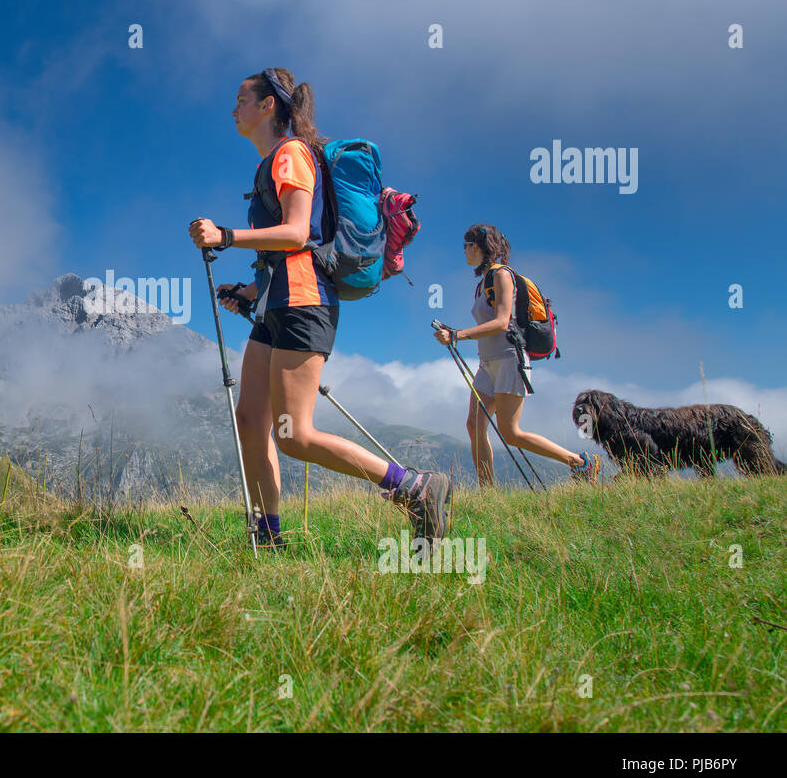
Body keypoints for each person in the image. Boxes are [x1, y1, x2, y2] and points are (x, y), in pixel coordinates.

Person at [190, 67, 451, 549]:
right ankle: (267, 538)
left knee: (294, 436)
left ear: (268, 106)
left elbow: (296, 232)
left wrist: (226, 236)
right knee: (251, 421)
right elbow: (285, 250)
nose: (233, 110)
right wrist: (249, 292)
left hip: (304, 305)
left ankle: (416, 488)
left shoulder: (290, 155)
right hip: (277, 303)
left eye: (241, 101)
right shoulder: (269, 163)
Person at [432, 224, 602, 485]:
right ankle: (488, 493)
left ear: (476, 246)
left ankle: (581, 463)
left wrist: (458, 336)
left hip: (510, 360)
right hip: (487, 364)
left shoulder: (502, 275)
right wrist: (455, 332)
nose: (464, 252)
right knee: (474, 426)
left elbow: (502, 322)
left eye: (466, 246)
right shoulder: (481, 285)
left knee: (510, 433)